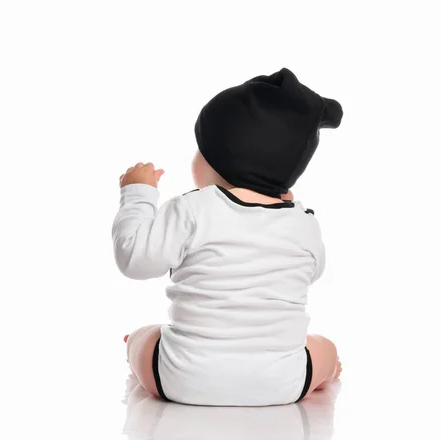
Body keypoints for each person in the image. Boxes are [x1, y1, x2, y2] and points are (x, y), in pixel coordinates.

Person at [113, 68, 343, 406]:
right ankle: (326, 371)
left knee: (146, 336)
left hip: (183, 379)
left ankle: (135, 344)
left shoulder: (192, 208)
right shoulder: (303, 223)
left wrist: (138, 194)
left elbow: (133, 259)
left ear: (220, 159)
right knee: (323, 346)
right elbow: (314, 270)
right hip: (282, 384)